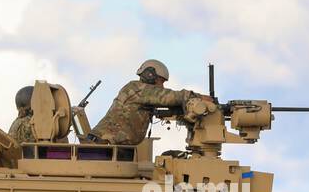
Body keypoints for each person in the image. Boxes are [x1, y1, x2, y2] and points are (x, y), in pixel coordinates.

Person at [88, 60, 217, 145]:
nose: (162, 86)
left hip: (107, 147)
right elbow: (170, 97)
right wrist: (199, 97)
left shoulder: (142, 94)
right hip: (101, 148)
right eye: (161, 81)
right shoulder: (137, 89)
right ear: (150, 76)